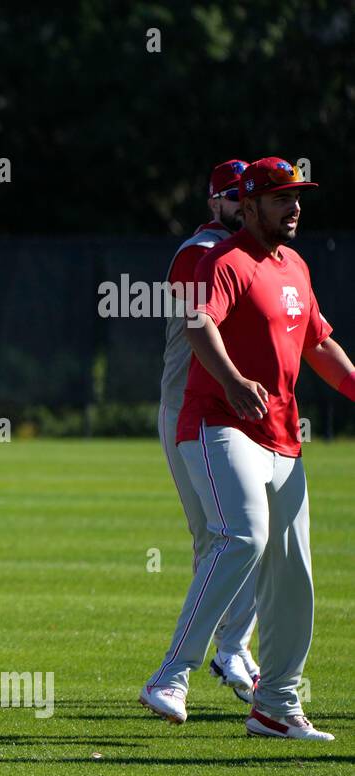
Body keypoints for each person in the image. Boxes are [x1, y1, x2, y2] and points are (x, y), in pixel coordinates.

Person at [140, 157, 355, 740]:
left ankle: (277, 705)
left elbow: (320, 342)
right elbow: (197, 324)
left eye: (298, 197)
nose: (295, 207)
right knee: (241, 535)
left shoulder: (295, 267)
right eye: (282, 197)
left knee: (294, 575)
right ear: (251, 203)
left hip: (284, 436)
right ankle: (171, 675)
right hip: (217, 425)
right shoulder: (222, 259)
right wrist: (233, 383)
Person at [159, 159, 259, 703]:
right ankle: (220, 651)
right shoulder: (201, 251)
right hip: (189, 405)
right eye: (232, 198)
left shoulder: (250, 254)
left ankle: (232, 645)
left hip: (238, 409)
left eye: (248, 198)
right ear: (214, 202)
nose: (241, 207)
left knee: (248, 535)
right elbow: (204, 319)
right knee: (221, 535)